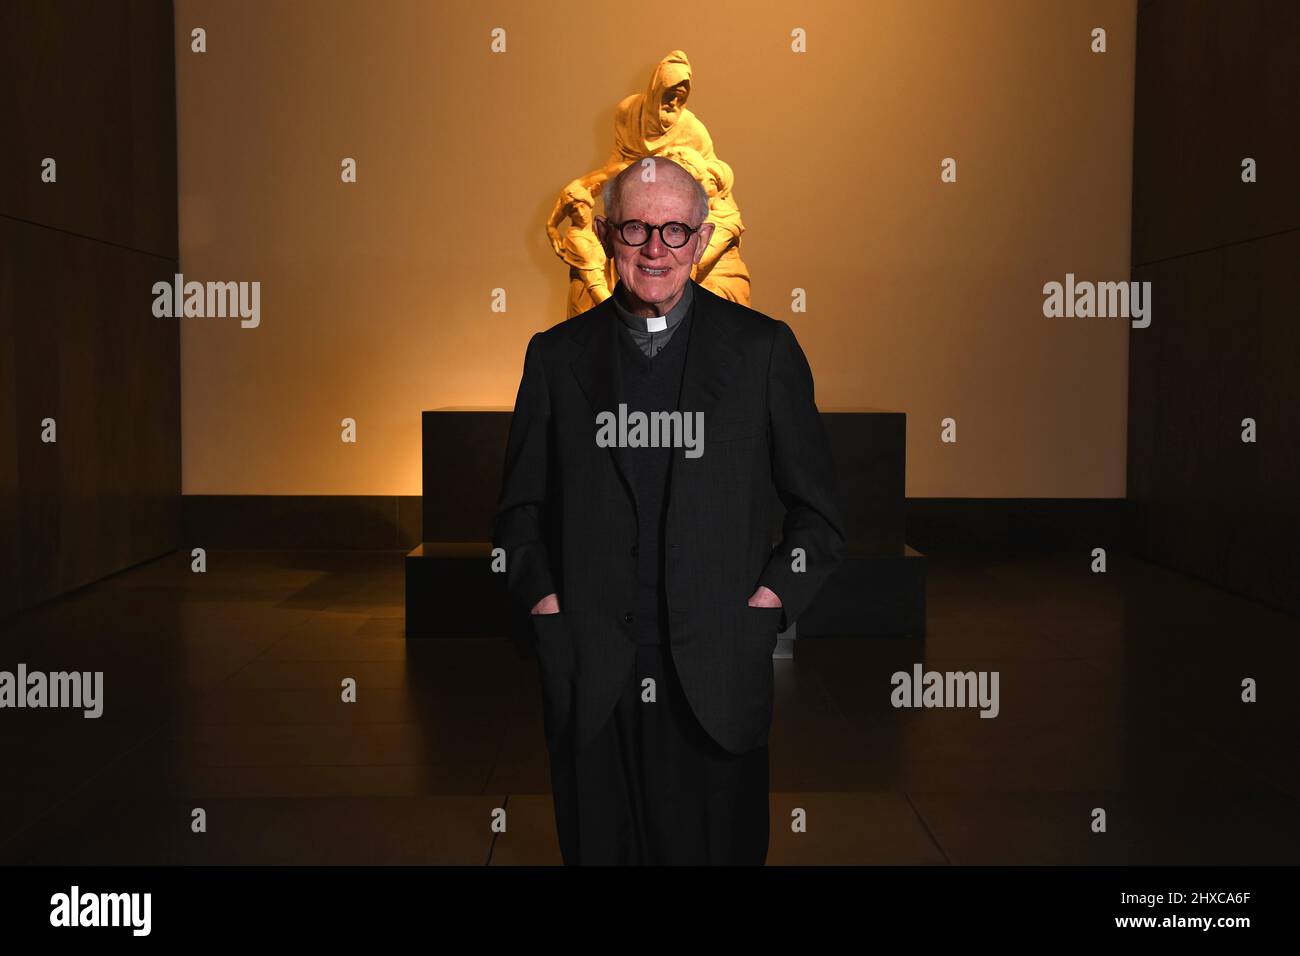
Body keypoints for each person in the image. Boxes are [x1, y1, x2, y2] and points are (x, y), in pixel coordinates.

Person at [493, 156, 845, 864]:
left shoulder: (762, 351)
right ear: (604, 233)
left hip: (716, 675)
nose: (656, 250)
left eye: (676, 230)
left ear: (704, 235)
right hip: (592, 679)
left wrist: (767, 609)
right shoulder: (555, 359)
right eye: (636, 228)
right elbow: (517, 517)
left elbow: (820, 519)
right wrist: (544, 607)